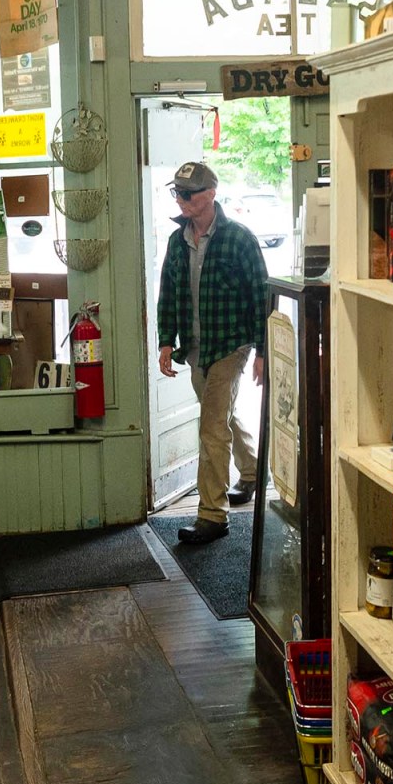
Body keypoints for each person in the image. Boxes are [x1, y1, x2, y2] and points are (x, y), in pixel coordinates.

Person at [154, 160, 269, 544]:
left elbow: (260, 296)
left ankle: (212, 515)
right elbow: (167, 294)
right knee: (218, 416)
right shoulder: (177, 241)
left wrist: (263, 351)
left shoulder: (239, 238)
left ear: (210, 194)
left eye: (188, 194)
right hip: (196, 347)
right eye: (178, 193)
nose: (182, 200)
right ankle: (252, 472)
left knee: (210, 429)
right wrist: (166, 340)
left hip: (230, 345)